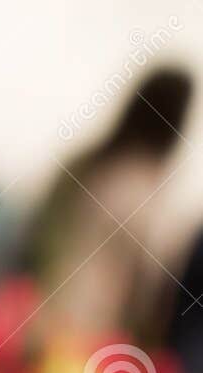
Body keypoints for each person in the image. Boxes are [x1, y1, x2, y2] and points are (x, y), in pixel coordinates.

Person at [18, 67, 193, 342]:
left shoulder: (88, 162)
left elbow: (36, 235)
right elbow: (148, 286)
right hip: (94, 333)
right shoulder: (148, 191)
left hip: (42, 312)